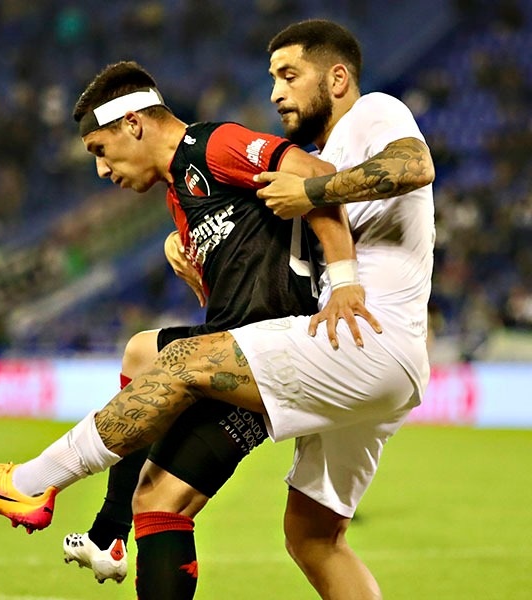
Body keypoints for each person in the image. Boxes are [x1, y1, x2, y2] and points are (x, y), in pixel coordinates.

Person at [0, 18, 436, 600]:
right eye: (272, 77)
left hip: (364, 340)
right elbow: (264, 280)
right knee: (312, 539)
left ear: (335, 78)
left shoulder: (372, 113)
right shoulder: (284, 164)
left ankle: (33, 483)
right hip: (346, 349)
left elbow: (415, 167)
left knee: (173, 361)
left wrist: (317, 210)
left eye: (288, 75)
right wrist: (203, 273)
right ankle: (110, 530)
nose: (276, 92)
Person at [54, 58, 379, 591]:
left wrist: (343, 277)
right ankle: (110, 532)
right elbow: (228, 297)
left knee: (141, 356)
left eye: (99, 151)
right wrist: (192, 275)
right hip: (245, 349)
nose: (101, 170)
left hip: (284, 352)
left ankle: (106, 529)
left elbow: (317, 178)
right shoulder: (180, 197)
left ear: (133, 124)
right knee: (160, 503)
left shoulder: (213, 145)